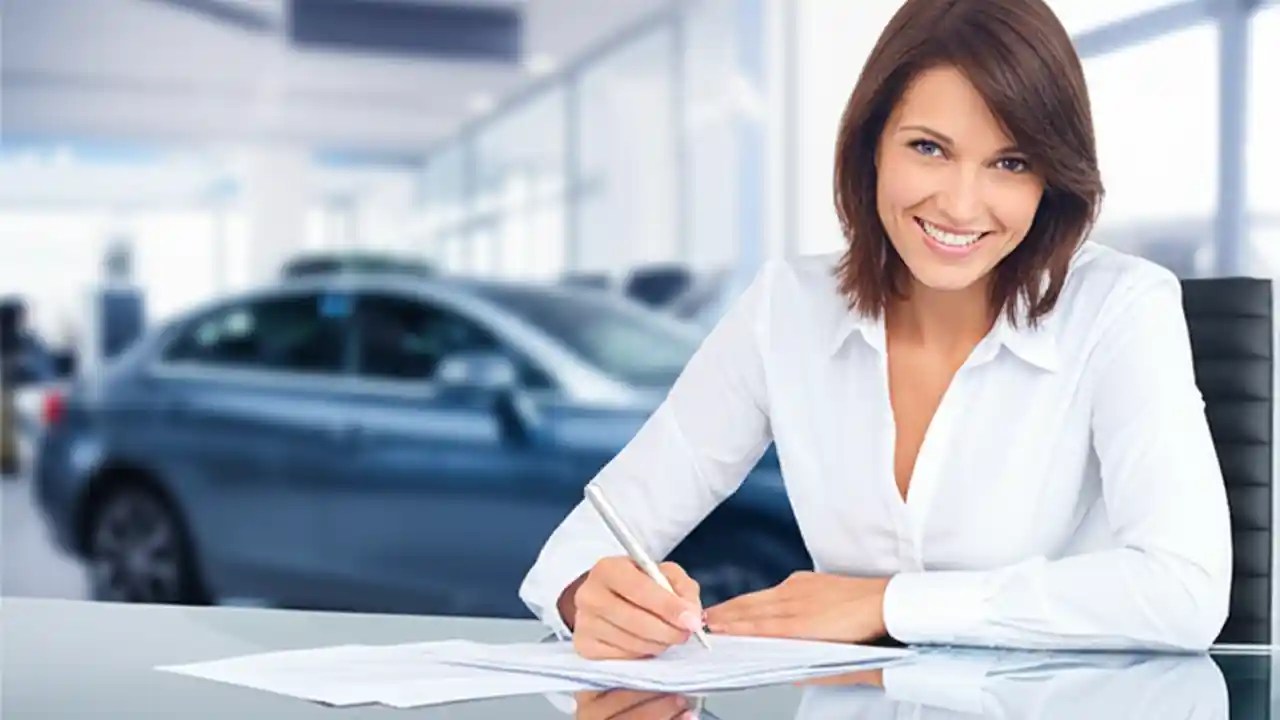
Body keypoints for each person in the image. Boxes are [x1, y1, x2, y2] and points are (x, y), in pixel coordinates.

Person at [520, 0, 1232, 658]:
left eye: (1010, 163)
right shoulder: (787, 311)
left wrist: (888, 606)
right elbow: (594, 534)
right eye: (928, 148)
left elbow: (1186, 593)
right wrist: (587, 597)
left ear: (1051, 180)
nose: (959, 204)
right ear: (871, 148)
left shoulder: (1121, 306)